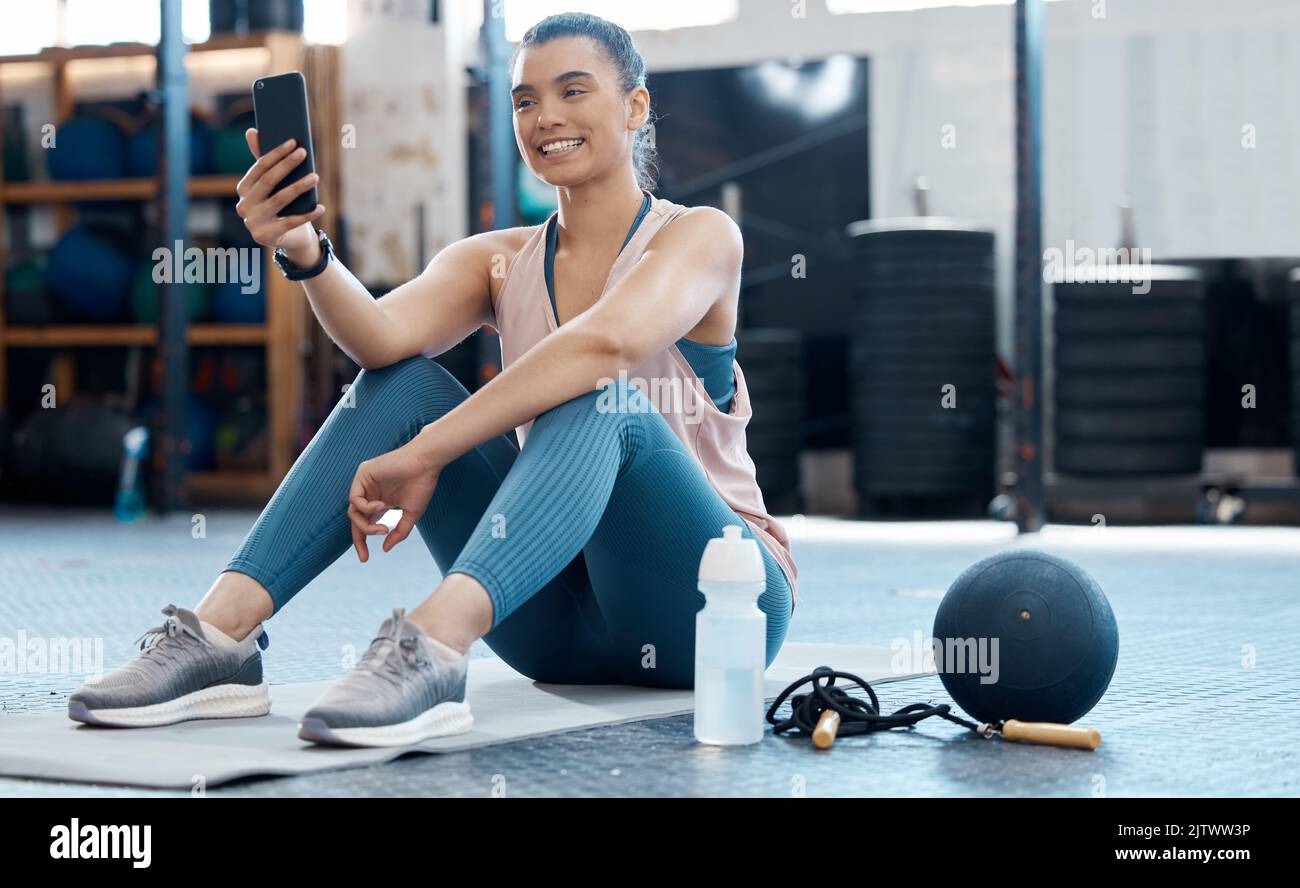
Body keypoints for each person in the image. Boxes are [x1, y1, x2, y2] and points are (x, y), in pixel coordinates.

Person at [67, 12, 798, 748]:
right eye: (525, 101)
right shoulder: (497, 258)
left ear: (634, 106)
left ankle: (430, 644)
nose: (547, 117)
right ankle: (219, 637)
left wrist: (425, 456)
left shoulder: (700, 237)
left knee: (596, 395)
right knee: (403, 384)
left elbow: (605, 344)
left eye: (574, 92)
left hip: (712, 606)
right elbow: (379, 339)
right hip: (551, 626)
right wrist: (304, 249)